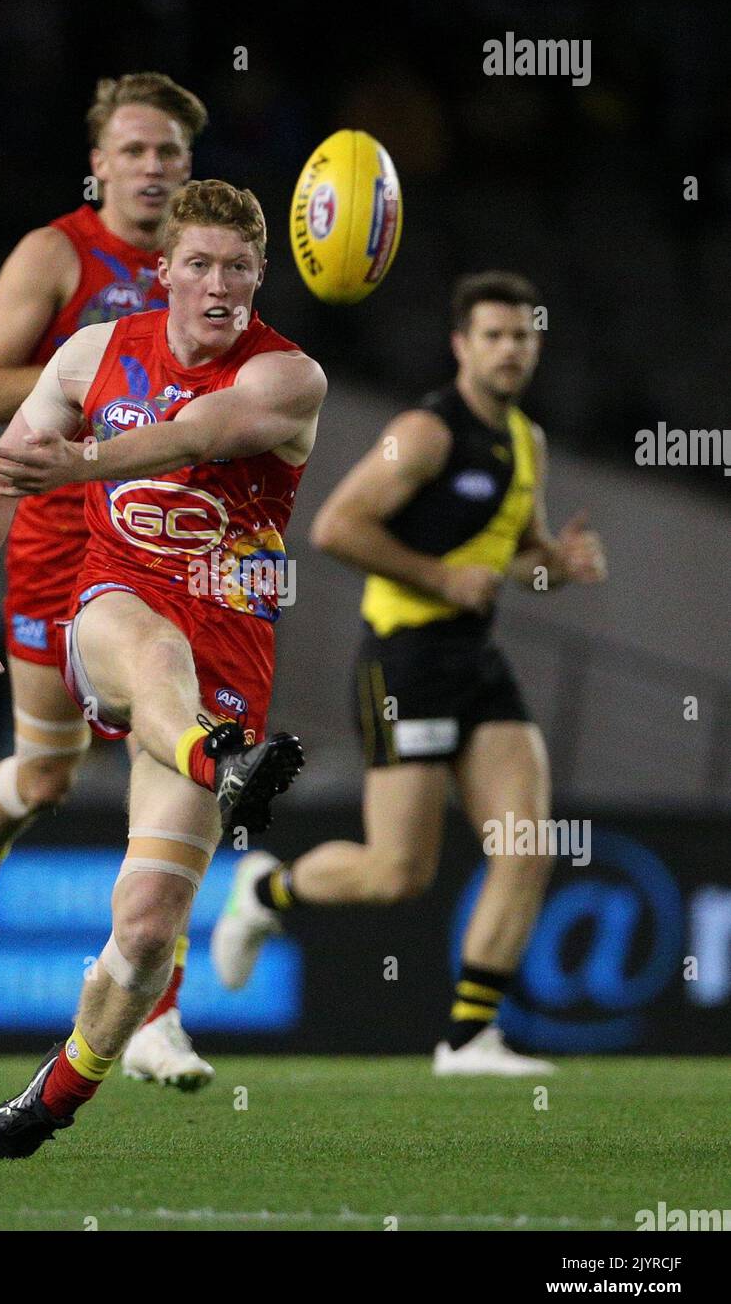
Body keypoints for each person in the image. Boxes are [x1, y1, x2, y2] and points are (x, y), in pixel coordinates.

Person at [0, 179, 327, 1157]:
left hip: (229, 663)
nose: (218, 284)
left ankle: (48, 1100)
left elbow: (199, 435)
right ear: (163, 272)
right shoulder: (95, 351)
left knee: (144, 932)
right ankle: (210, 759)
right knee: (146, 648)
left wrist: (87, 460)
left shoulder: (289, 378)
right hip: (113, 611)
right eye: (199, 264)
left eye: (237, 266)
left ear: (259, 276)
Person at [212, 271, 607, 1076]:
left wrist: (554, 565)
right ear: (461, 346)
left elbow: (514, 553)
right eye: (492, 336)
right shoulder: (423, 432)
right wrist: (434, 577)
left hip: (475, 659)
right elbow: (333, 526)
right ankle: (264, 892)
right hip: (404, 660)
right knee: (398, 874)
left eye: (521, 336)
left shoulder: (524, 441)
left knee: (525, 845)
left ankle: (466, 1039)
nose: (508, 350)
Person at [0, 73, 216, 1088]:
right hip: (53, 541)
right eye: (132, 150)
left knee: (165, 751)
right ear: (96, 164)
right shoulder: (57, 255)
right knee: (47, 777)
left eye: (169, 151)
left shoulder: (201, 271)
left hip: (153, 550)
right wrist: (106, 376)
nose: (150, 167)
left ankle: (159, 1012)